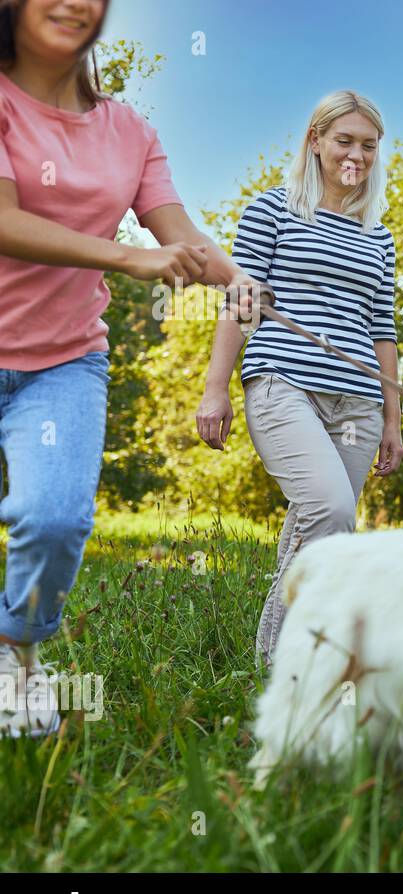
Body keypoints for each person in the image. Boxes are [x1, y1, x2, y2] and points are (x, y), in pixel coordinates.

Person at [0, 0, 262, 736]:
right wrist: (128, 256)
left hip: (63, 359)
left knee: (53, 520)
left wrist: (235, 278)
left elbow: (178, 231)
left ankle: (16, 650)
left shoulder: (130, 132)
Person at [195, 90, 403, 666]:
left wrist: (393, 419)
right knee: (331, 510)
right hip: (283, 383)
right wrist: (216, 388)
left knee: (318, 526)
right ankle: (283, 658)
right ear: (315, 141)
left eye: (367, 145)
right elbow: (242, 304)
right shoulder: (273, 209)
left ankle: (289, 660)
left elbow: (383, 330)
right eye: (344, 140)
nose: (355, 155)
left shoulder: (379, 236)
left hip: (359, 403)